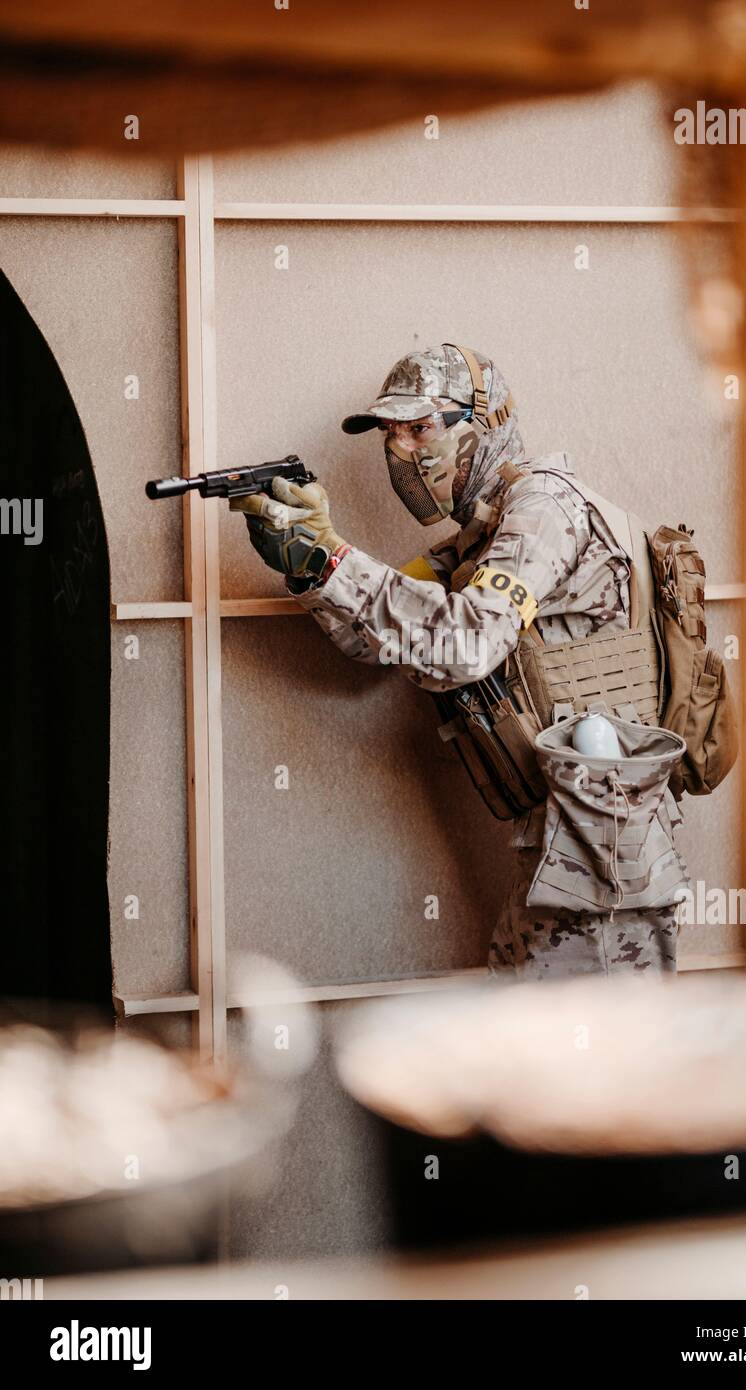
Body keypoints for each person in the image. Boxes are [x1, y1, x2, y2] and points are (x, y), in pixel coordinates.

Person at [231, 343, 686, 979]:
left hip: (606, 845)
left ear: (486, 421)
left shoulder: (543, 509)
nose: (401, 452)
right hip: (561, 842)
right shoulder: (482, 541)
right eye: (391, 436)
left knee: (591, 1064)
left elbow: (464, 646)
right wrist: (311, 565)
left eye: (421, 428)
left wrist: (335, 558)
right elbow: (378, 640)